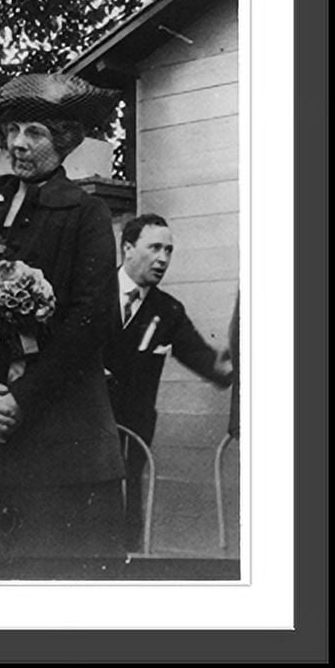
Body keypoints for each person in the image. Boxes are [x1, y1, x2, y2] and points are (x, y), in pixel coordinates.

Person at [0, 72, 126, 559]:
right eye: (13, 129)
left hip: (61, 447)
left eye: (34, 132)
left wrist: (21, 399)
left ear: (63, 141)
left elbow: (91, 322)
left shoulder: (86, 214)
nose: (18, 143)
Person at [103, 213, 235, 550]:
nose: (163, 258)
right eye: (155, 248)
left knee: (127, 520)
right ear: (128, 248)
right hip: (82, 431)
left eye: (169, 250)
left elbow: (210, 363)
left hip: (133, 438)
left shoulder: (168, 311)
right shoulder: (90, 294)